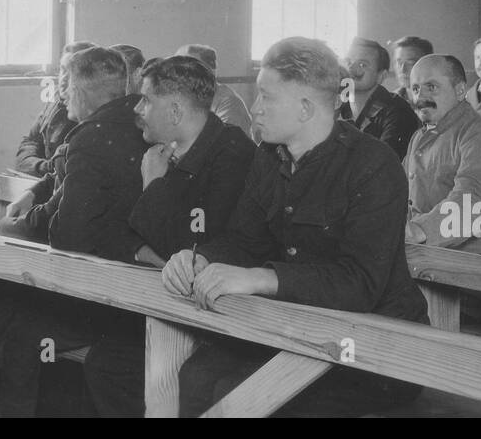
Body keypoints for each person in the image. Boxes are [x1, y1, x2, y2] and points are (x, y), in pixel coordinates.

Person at [161, 37, 424, 417]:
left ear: (304, 108)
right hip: (296, 330)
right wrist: (199, 258)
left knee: (245, 396)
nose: (254, 110)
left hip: (375, 350)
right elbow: (244, 240)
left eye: (266, 98)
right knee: (198, 377)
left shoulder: (373, 165)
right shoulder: (269, 157)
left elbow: (360, 284)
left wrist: (262, 279)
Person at [0, 47, 150, 415]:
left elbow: (67, 233)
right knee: (13, 298)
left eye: (68, 88)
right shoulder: (129, 124)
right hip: (115, 279)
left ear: (82, 92)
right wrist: (35, 195)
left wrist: (17, 228)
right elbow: (64, 181)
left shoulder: (93, 138)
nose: (61, 95)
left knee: (20, 317)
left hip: (107, 294)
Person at [81, 56, 256, 415]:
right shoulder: (160, 151)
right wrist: (157, 256)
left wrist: (155, 185)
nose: (138, 110)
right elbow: (114, 232)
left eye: (146, 100)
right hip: (171, 299)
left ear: (175, 111)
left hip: (225, 316)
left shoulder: (233, 154)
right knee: (105, 362)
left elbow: (193, 246)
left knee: (163, 377)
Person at [405, 55, 481, 260]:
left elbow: (472, 202)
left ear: (460, 91)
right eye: (415, 89)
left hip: (479, 272)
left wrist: (418, 231)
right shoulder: (419, 137)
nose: (420, 98)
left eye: (431, 87)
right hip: (430, 260)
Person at [13, 40, 95, 177]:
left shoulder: (87, 111)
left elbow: (65, 165)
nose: (64, 78)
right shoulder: (54, 103)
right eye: (63, 70)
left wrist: (40, 168)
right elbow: (30, 141)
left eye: (71, 71)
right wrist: (40, 167)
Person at [341, 37, 418, 159]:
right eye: (348, 61)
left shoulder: (398, 111)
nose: (351, 68)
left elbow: (382, 163)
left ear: (381, 76)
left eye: (362, 64)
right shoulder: (335, 105)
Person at [175, 43, 252, 134]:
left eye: (190, 67)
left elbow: (222, 142)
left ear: (210, 70)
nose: (183, 74)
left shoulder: (228, 102)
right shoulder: (184, 98)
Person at [392, 36, 434, 107]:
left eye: (410, 63)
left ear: (428, 64)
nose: (402, 70)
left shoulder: (443, 100)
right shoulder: (388, 102)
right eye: (399, 63)